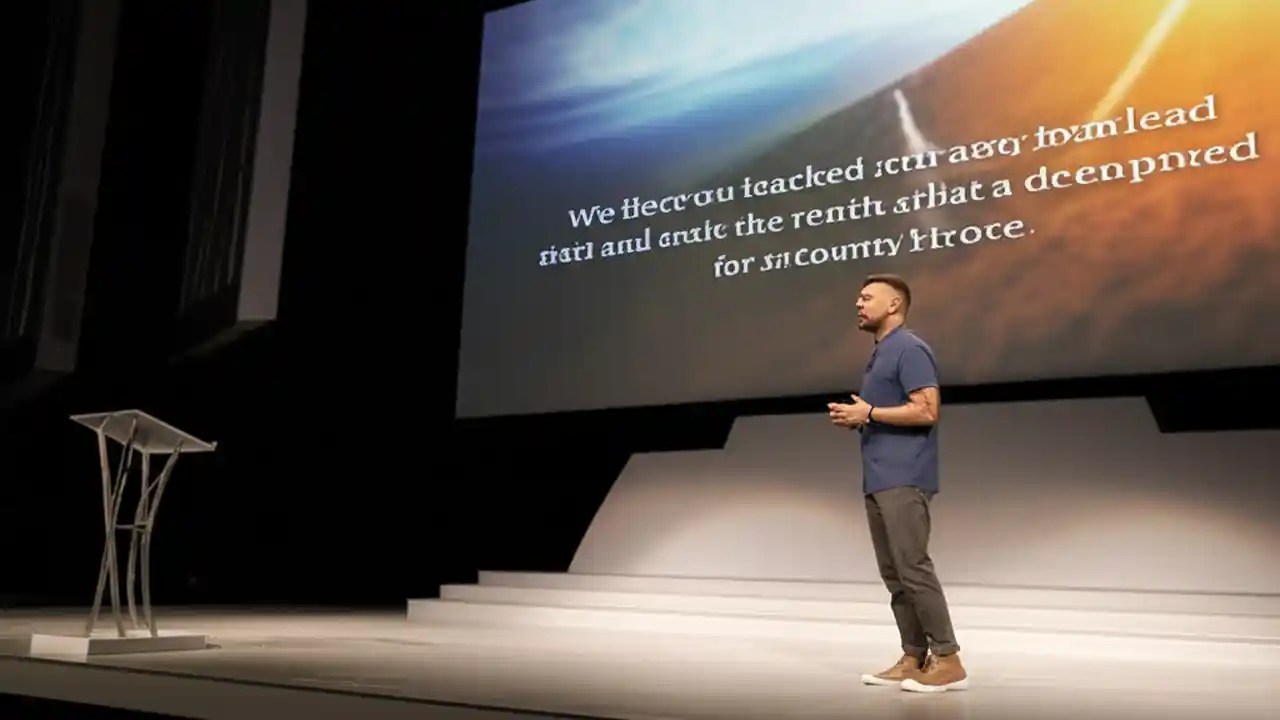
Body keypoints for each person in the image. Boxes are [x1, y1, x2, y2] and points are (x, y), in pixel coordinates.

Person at [827, 273, 968, 693]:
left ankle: (948, 658)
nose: (858, 303)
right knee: (895, 574)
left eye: (867, 297)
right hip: (879, 477)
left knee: (912, 567)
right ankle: (913, 656)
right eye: (858, 296)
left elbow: (927, 410)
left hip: (905, 475)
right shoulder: (881, 353)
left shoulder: (909, 347)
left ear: (893, 305)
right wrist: (862, 417)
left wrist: (869, 414)